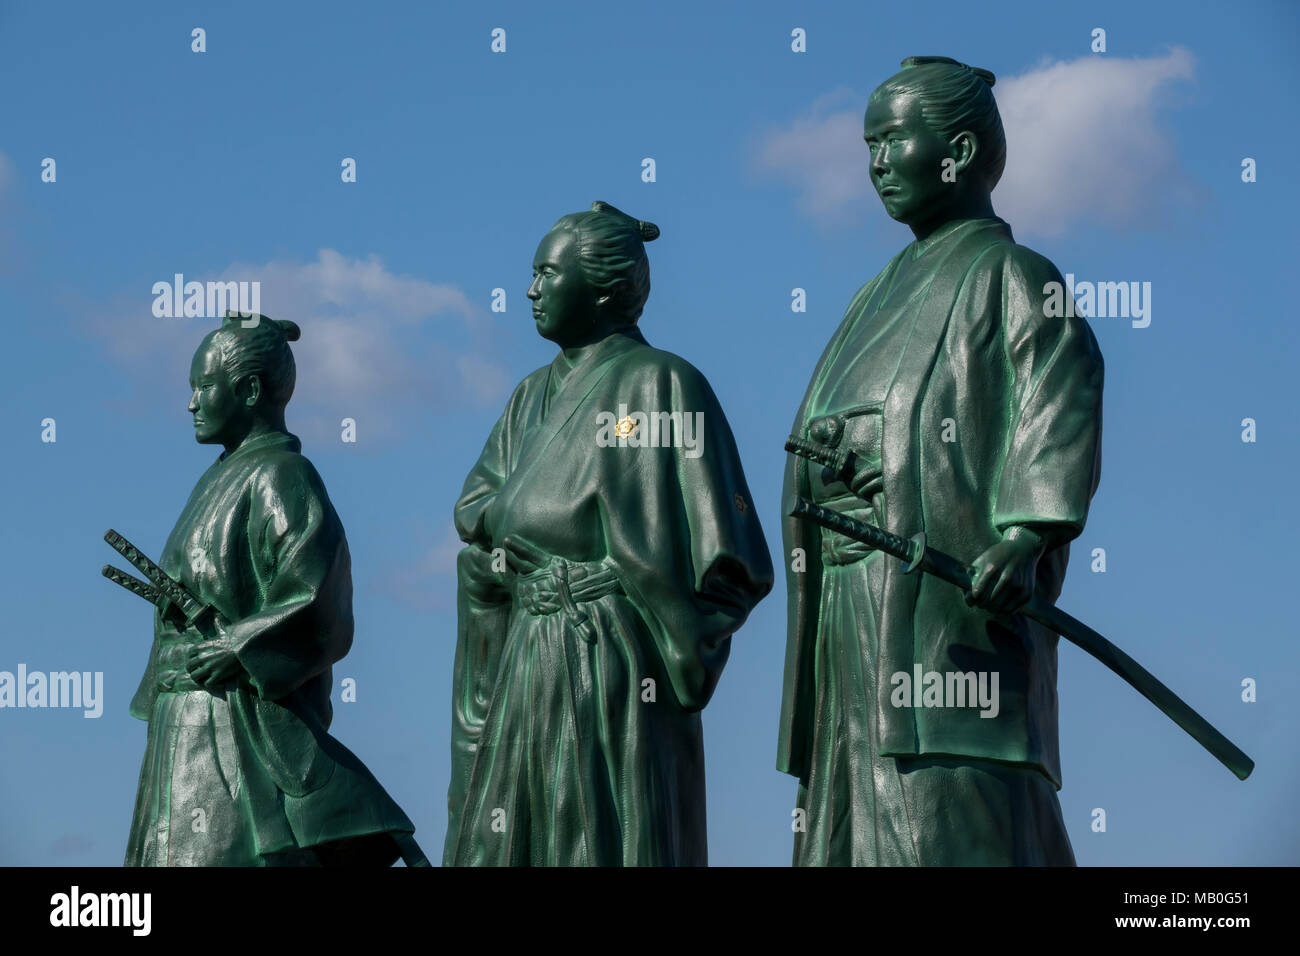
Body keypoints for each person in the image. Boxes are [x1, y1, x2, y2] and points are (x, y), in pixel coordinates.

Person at [777, 57, 1105, 865]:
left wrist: (1027, 537)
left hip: (942, 610)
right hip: (851, 610)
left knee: (951, 816)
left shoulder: (1015, 277)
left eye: (893, 139)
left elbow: (1058, 401)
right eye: (868, 145)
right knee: (853, 819)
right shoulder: (875, 291)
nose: (876, 162)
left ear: (956, 150)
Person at [445, 202, 773, 866]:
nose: (531, 290)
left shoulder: (665, 384)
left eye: (546, 273)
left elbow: (732, 559)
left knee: (604, 834)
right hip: (526, 655)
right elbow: (477, 509)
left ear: (601, 286)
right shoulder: (529, 398)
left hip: (614, 660)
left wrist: (660, 624)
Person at [125, 311, 427, 866]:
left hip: (232, 730)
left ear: (247, 390)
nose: (190, 402)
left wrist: (239, 644)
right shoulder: (219, 477)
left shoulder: (282, 476)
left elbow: (317, 594)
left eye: (202, 387)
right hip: (185, 724)